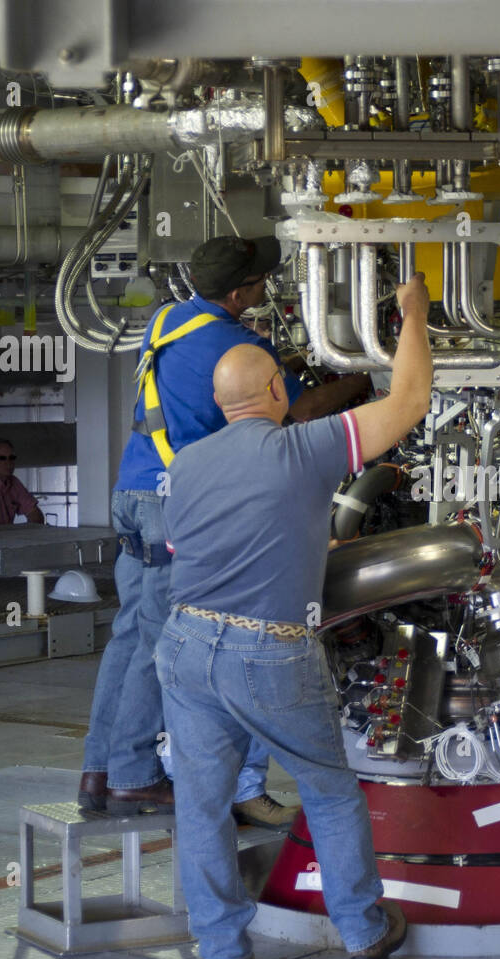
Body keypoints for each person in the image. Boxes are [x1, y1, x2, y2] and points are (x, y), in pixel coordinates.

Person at [154, 273, 432, 959]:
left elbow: (205, 548)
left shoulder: (185, 466)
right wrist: (414, 314)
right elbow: (410, 402)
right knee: (330, 789)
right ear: (277, 390)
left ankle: (221, 951)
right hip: (268, 652)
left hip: (185, 644)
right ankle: (365, 935)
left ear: (221, 405)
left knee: (202, 803)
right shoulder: (303, 448)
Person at [79, 235, 370, 817]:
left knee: (131, 634)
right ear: (240, 292)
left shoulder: (170, 320)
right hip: (174, 498)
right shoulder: (232, 339)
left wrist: (285, 363)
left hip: (133, 491)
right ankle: (136, 776)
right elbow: (300, 410)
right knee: (160, 645)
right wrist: (366, 382)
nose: (266, 290)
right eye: (261, 283)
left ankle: (100, 769)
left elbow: (225, 376)